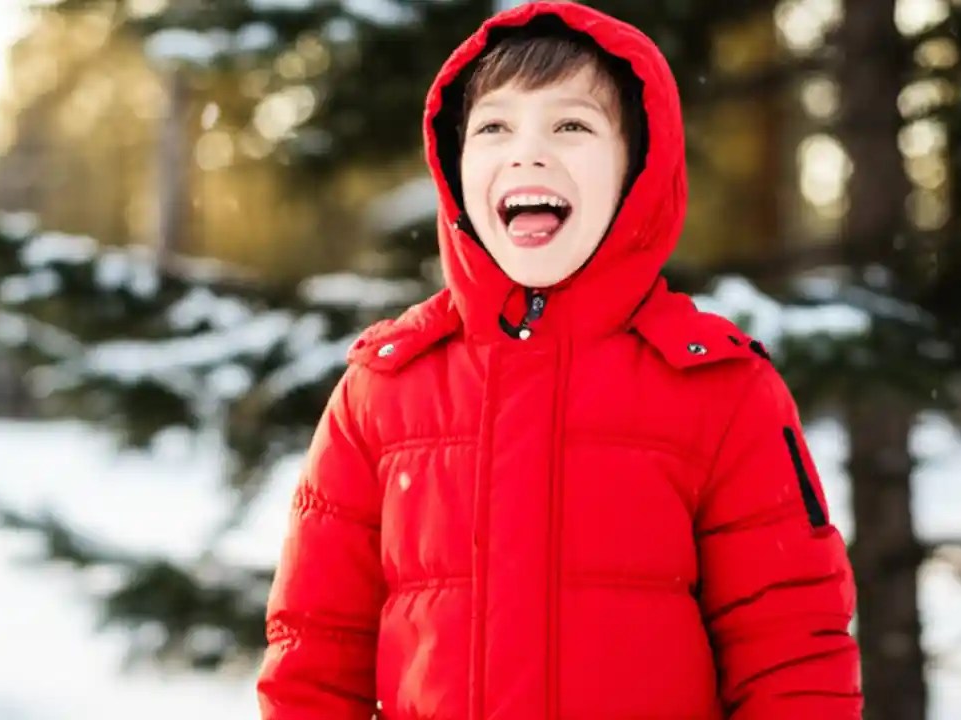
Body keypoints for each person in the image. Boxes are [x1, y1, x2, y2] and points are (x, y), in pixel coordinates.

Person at [256, 2, 862, 718]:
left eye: (571, 126)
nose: (528, 152)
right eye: (494, 128)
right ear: (455, 168)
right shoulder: (384, 389)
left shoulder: (719, 389)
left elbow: (793, 656)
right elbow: (313, 657)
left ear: (638, 166)